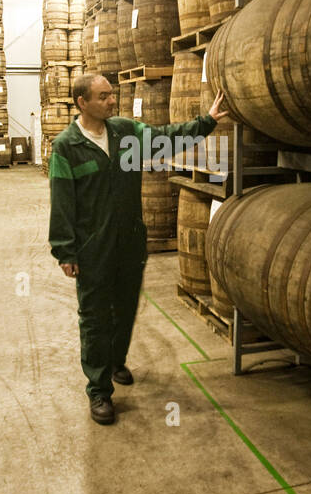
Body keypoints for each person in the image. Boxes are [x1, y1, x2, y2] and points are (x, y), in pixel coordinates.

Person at [49, 73, 230, 425]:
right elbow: (62, 202)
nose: (111, 101)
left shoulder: (125, 131)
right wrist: (65, 251)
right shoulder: (66, 146)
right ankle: (99, 390)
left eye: (112, 95)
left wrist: (205, 122)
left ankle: (116, 360)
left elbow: (166, 137)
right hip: (93, 246)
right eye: (103, 97)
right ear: (82, 103)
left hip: (130, 239)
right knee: (95, 316)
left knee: (126, 307)